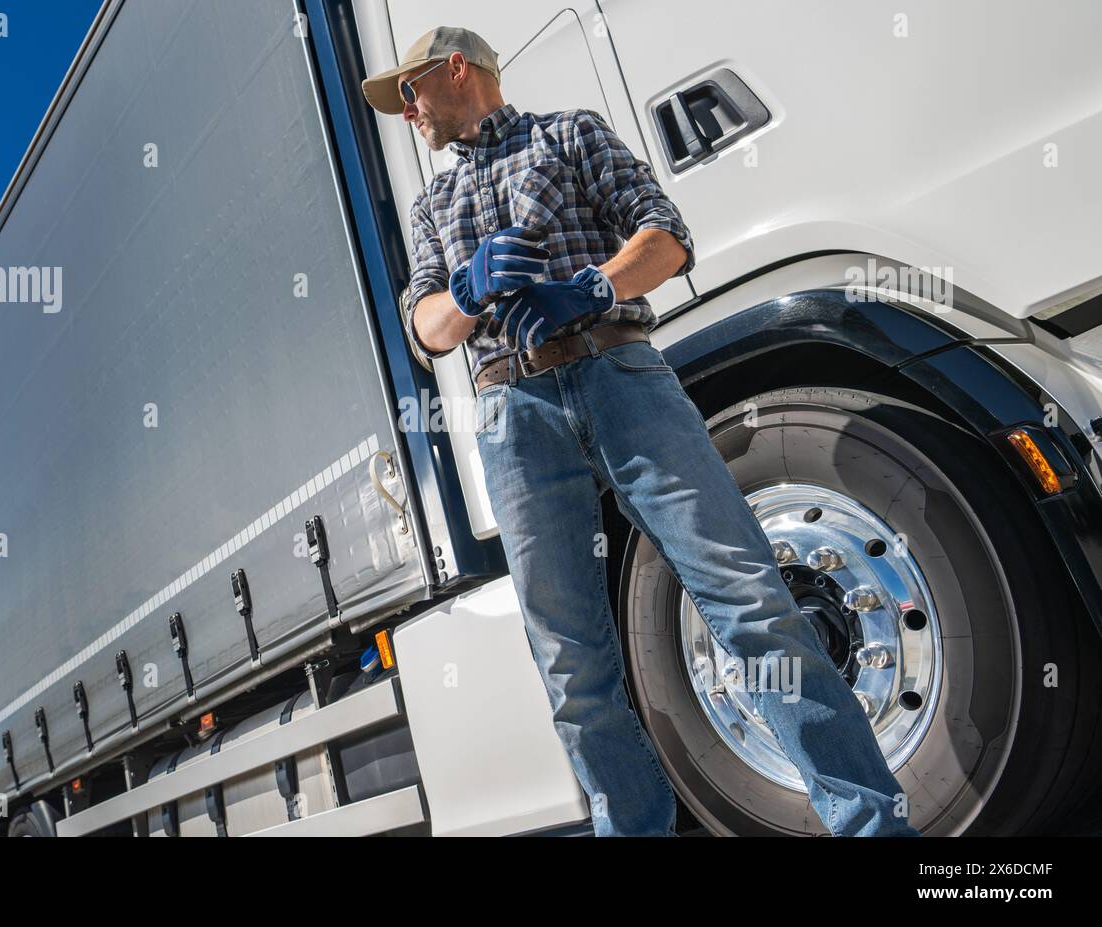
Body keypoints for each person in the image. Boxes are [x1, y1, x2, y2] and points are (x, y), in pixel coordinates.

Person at [362, 25, 921, 837]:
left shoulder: (570, 134)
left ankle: (872, 825)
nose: (406, 111)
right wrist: (471, 288)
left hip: (618, 374)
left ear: (457, 71)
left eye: (410, 90)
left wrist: (590, 287)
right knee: (572, 666)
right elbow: (427, 327)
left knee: (748, 602)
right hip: (513, 417)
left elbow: (667, 238)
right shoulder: (433, 205)